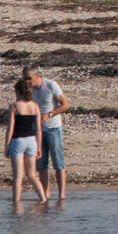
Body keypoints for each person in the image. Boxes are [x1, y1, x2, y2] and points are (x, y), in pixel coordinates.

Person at [22, 64, 70, 201]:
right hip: (36, 130)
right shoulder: (28, 89)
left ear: (37, 76)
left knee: (58, 162)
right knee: (41, 163)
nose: (26, 82)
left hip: (53, 128)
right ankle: (46, 194)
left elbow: (65, 104)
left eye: (28, 78)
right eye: (24, 79)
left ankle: (61, 194)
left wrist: (50, 114)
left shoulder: (50, 85)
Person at [4, 77, 48, 205]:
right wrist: (39, 147)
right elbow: (38, 129)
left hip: (18, 141)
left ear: (18, 92)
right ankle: (43, 199)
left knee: (18, 176)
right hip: (31, 141)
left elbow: (10, 129)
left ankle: (16, 203)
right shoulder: (35, 106)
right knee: (32, 175)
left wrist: (6, 146)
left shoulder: (14, 106)